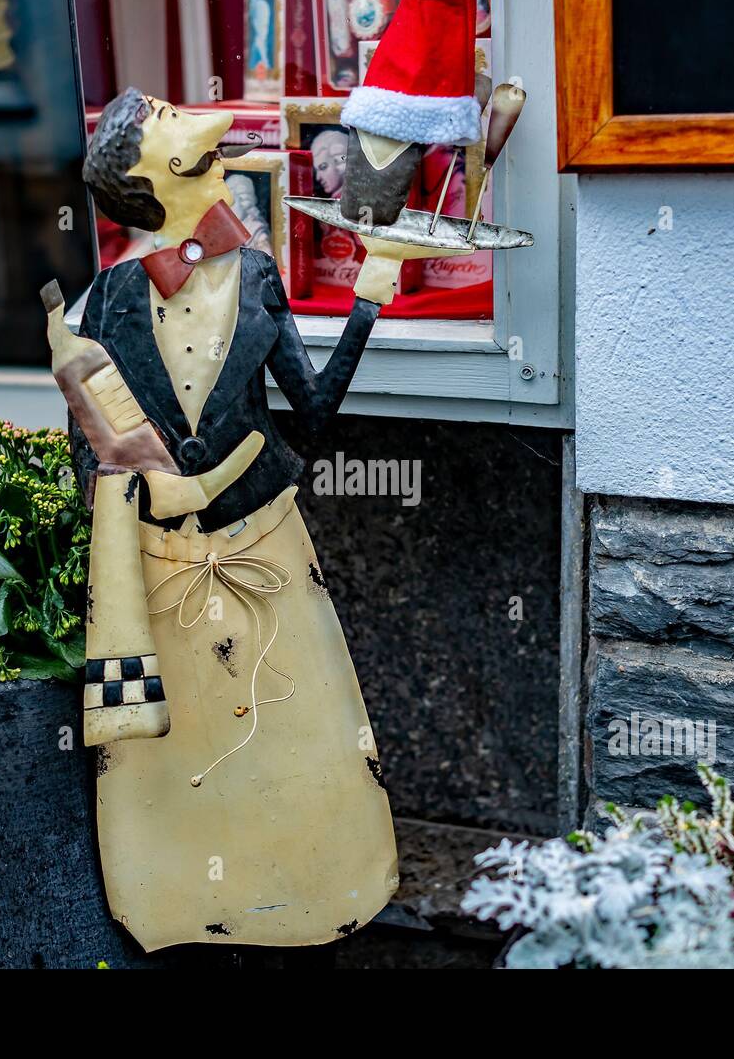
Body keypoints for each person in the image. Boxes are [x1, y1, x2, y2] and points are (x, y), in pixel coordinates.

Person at [44, 89, 470, 954]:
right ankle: (185, 912)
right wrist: (137, 491)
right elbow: (93, 455)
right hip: (163, 565)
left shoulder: (259, 275)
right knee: (181, 744)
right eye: (172, 122)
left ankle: (314, 892)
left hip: (264, 542)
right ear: (151, 178)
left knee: (294, 726)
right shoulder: (105, 305)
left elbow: (310, 420)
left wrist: (368, 301)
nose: (198, 131)